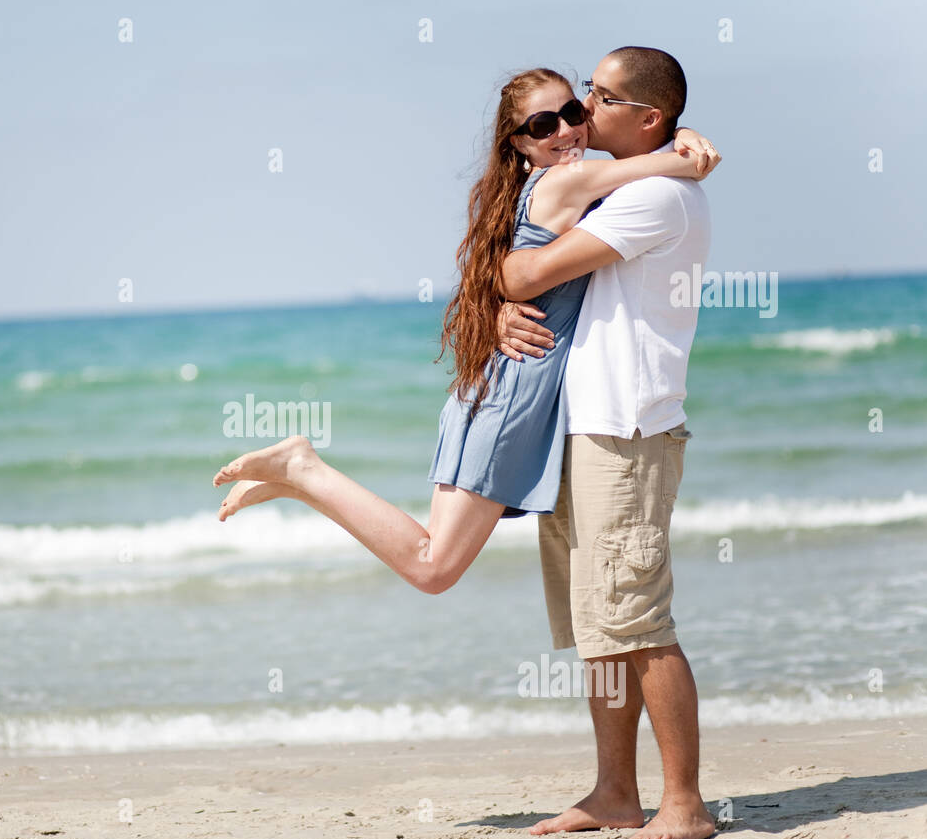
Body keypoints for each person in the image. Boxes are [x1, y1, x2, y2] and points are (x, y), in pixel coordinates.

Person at [210, 66, 718, 600]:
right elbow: (672, 165)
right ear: (519, 144)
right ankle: (303, 468)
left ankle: (300, 483)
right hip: (515, 391)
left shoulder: (545, 185)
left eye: (573, 112)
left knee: (437, 561)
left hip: (515, 387)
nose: (566, 131)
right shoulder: (567, 181)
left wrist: (677, 130)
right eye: (543, 125)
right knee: (434, 567)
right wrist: (685, 141)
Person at [497, 46, 719, 839]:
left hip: (625, 431)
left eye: (599, 95)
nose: (584, 110)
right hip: (586, 426)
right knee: (602, 629)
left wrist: (504, 291)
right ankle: (616, 791)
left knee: (639, 621)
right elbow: (537, 289)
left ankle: (685, 802)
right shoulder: (639, 182)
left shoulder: (654, 196)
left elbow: (525, 275)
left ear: (648, 117)